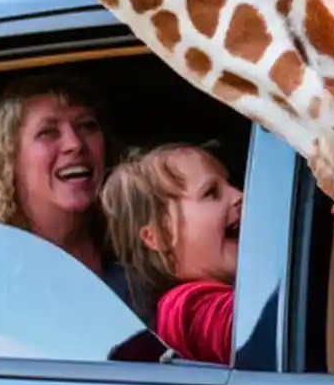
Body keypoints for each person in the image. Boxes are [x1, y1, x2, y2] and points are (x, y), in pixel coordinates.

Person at [0, 73, 131, 305]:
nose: (75, 144)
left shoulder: (129, 240)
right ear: (11, 157)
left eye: (86, 125)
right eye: (48, 132)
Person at [99, 143, 242, 364]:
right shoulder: (184, 310)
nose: (239, 195)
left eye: (230, 184)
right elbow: (259, 330)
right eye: (211, 193)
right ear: (159, 236)